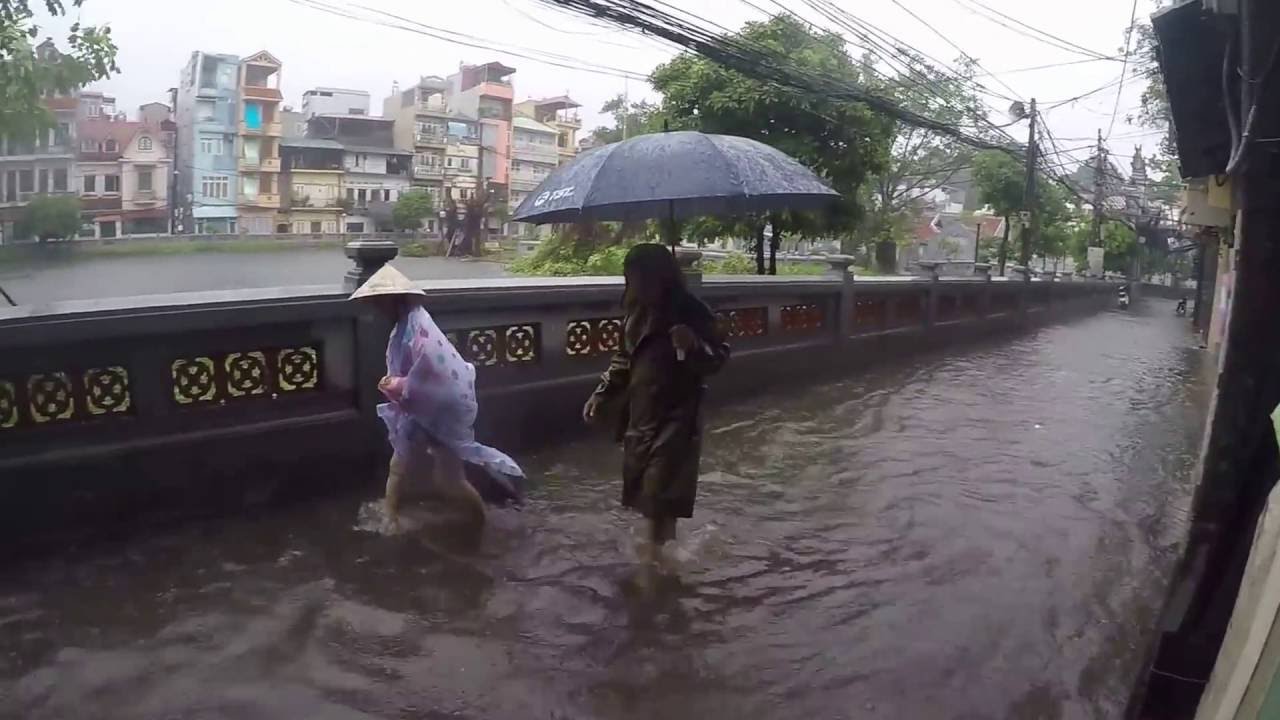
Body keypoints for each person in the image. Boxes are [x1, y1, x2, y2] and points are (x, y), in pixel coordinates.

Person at [583, 244, 730, 563]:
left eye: (642, 280)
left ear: (661, 278)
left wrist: (692, 345)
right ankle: (664, 562)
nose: (637, 288)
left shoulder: (692, 311)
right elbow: (624, 360)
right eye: (632, 280)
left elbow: (717, 358)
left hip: (677, 419)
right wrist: (602, 393)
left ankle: (651, 575)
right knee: (652, 504)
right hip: (640, 417)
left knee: (657, 497)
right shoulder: (635, 316)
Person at [349, 264, 525, 530]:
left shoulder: (416, 327)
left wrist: (396, 384)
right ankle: (391, 519)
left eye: (379, 301)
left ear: (393, 299)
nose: (376, 308)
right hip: (432, 405)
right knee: (402, 465)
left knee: (448, 478)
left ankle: (479, 522)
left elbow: (430, 372)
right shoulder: (409, 324)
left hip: (440, 407)